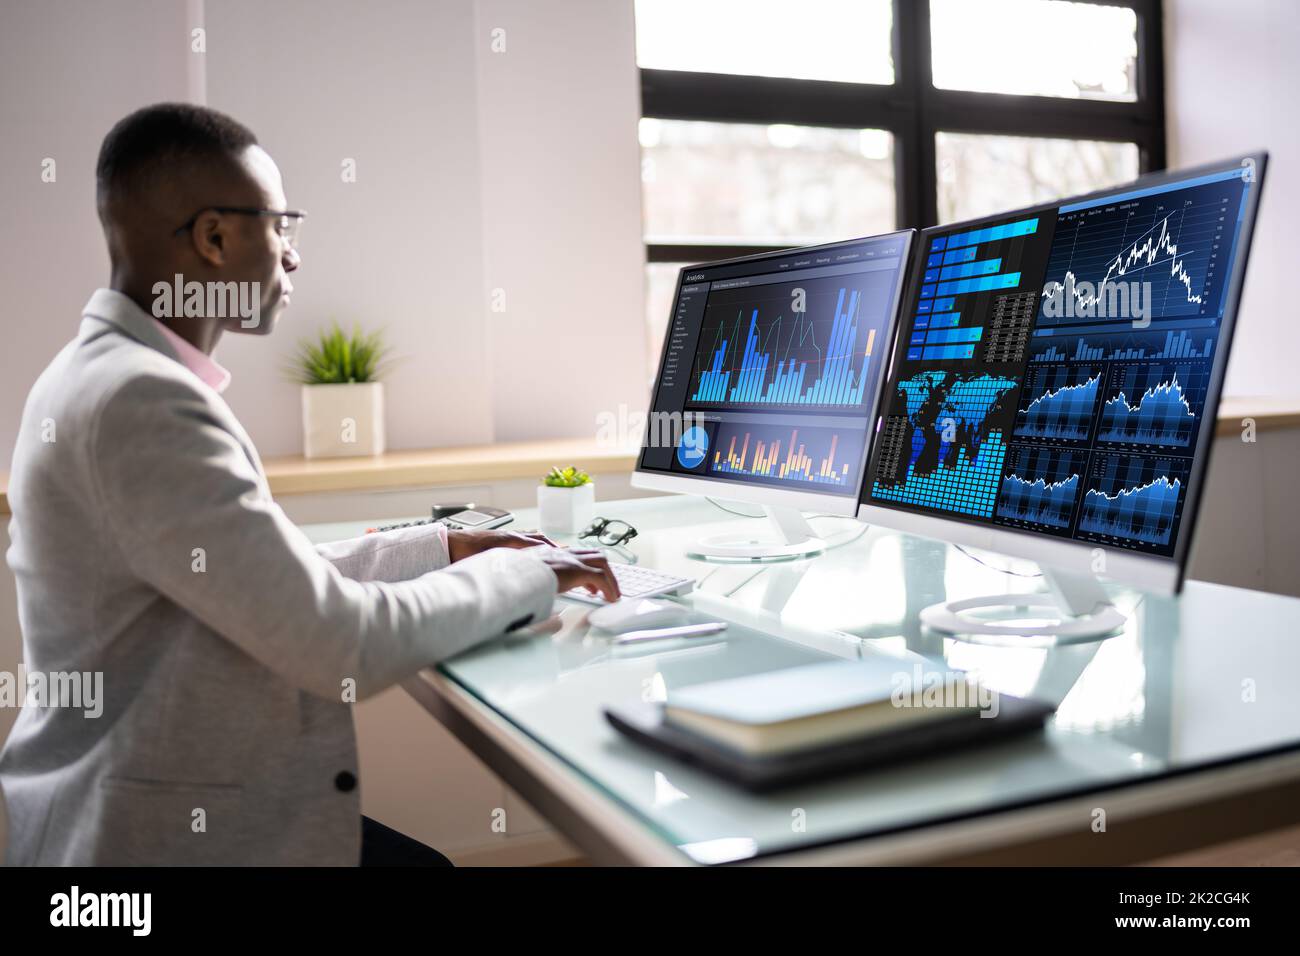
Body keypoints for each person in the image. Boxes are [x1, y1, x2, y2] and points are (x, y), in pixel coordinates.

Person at [0, 103, 619, 866]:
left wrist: (440, 546)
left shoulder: (105, 376)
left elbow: (262, 587)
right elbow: (337, 645)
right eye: (281, 224)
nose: (292, 255)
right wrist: (522, 573)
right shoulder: (141, 403)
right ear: (216, 237)